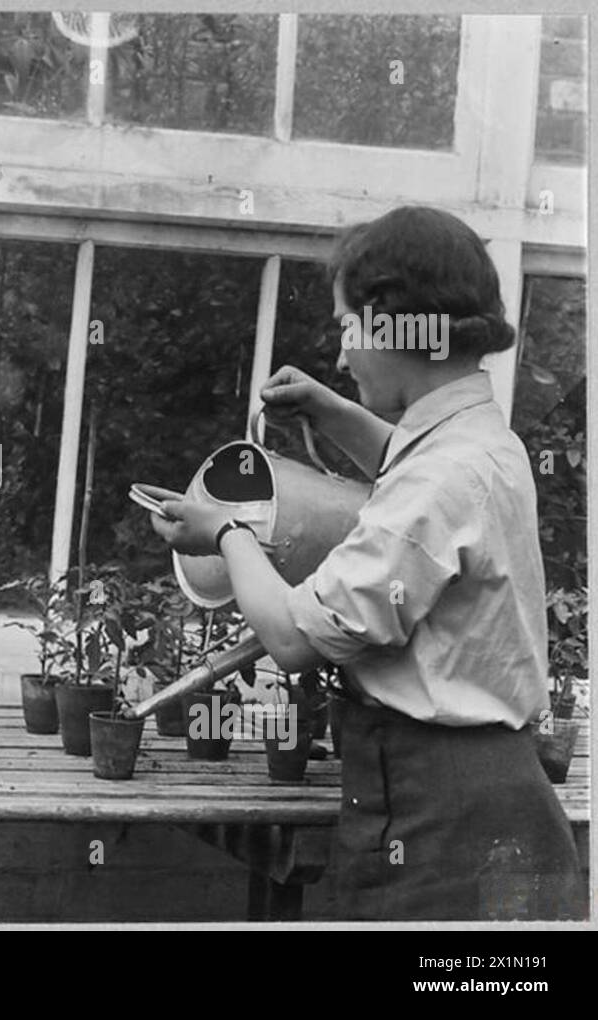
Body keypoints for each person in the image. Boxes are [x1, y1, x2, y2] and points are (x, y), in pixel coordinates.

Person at [148, 206, 584, 920]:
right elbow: (410, 466)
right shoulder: (482, 442)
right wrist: (328, 409)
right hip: (485, 801)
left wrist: (229, 531)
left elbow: (290, 640)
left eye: (349, 328)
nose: (343, 356)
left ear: (395, 326)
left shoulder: (442, 480)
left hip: (440, 822)